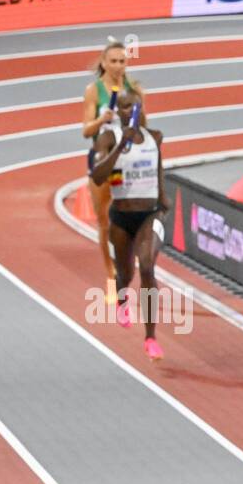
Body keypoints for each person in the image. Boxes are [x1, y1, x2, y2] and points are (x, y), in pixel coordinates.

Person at [89, 89, 169, 361]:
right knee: (125, 273)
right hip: (122, 217)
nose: (130, 111)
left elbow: (158, 169)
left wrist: (163, 200)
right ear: (117, 110)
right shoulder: (108, 138)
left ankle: (150, 337)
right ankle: (123, 298)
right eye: (124, 107)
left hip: (150, 215)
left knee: (146, 266)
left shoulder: (154, 137)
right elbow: (98, 176)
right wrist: (119, 148)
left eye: (134, 106)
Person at [81, 39, 140, 306]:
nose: (118, 66)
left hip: (128, 161)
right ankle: (110, 276)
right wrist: (101, 120)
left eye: (122, 61)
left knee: (130, 215)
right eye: (113, 61)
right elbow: (85, 131)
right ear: (104, 63)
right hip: (102, 160)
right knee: (105, 222)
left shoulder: (135, 89)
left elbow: (144, 126)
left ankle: (128, 259)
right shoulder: (93, 91)